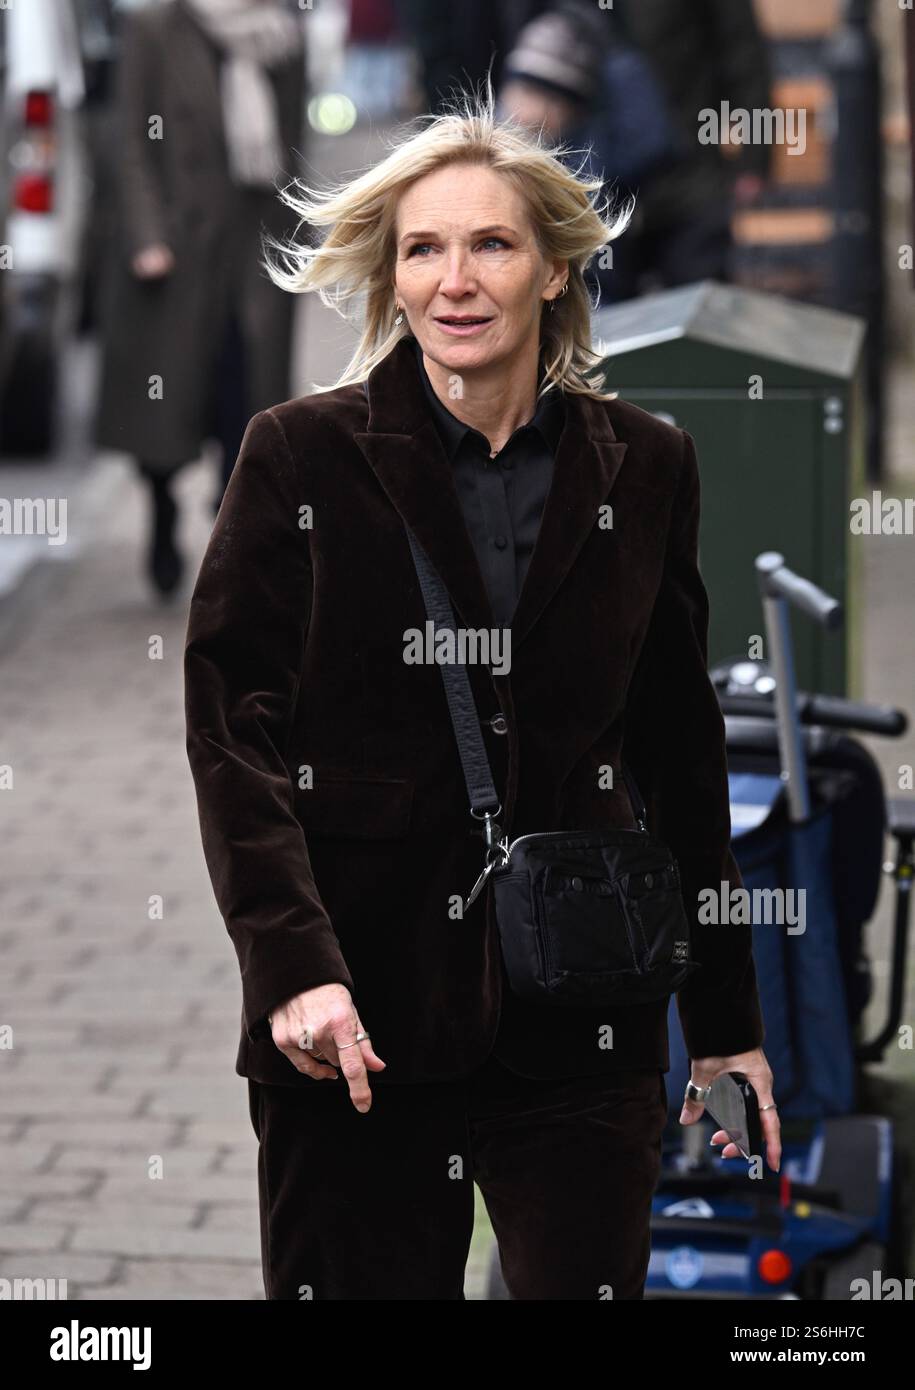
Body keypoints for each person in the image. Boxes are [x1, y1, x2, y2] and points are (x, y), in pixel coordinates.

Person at [183, 87, 780, 1301]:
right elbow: (231, 732)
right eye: (423, 248)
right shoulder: (297, 455)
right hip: (357, 1018)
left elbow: (680, 748)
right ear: (391, 277)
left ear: (553, 269)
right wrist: (293, 965)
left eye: (492, 243)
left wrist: (724, 1023)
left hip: (585, 1014)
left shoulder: (649, 464)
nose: (455, 279)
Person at [94, 0, 305, 597]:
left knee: (247, 403)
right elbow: (130, 136)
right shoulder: (154, 24)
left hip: (255, 242)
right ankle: (161, 513)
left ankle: (231, 535)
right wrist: (146, 234)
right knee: (166, 404)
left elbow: (294, 142)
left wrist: (306, 238)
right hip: (178, 248)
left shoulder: (283, 30)